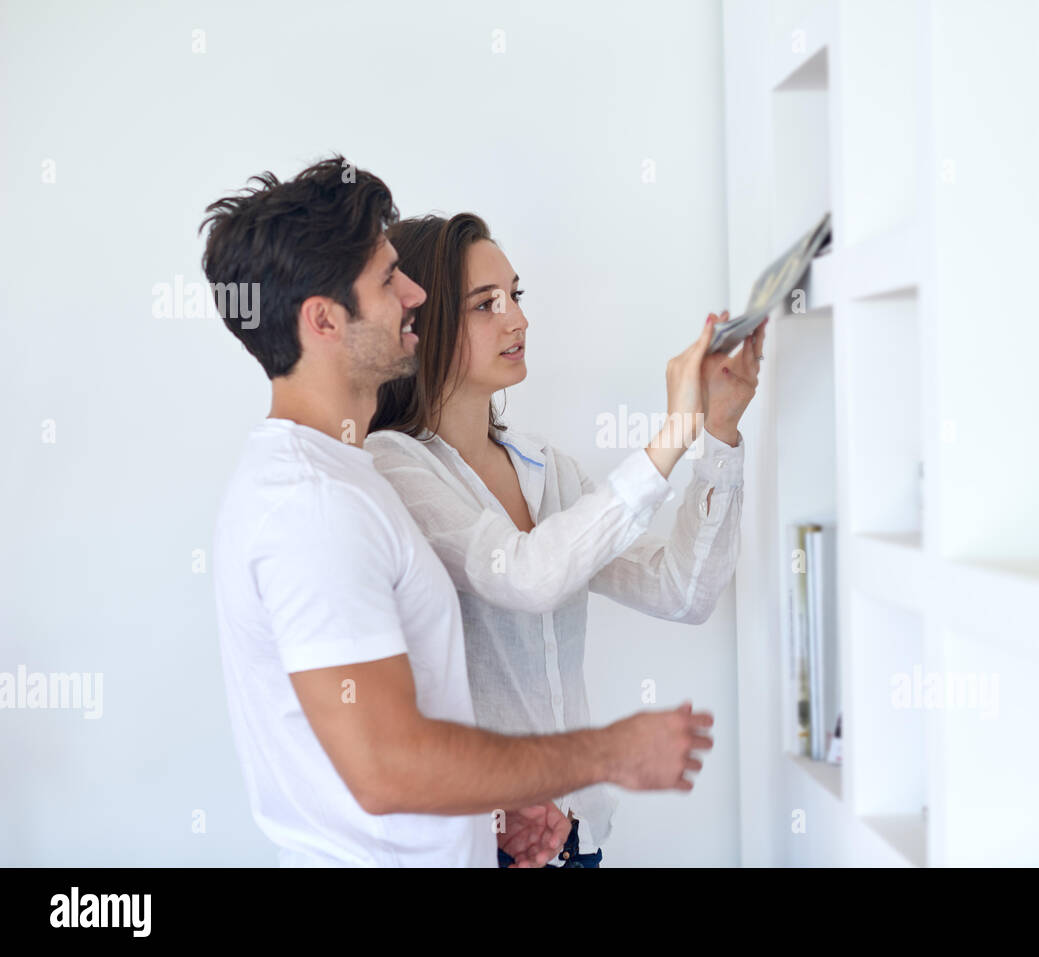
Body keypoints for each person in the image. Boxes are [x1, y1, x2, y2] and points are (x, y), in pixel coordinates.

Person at [203, 156, 714, 868]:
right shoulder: (318, 504)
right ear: (322, 320)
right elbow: (387, 766)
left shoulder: (344, 479)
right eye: (388, 279)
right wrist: (609, 751)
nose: (413, 293)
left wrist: (491, 813)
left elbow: (394, 746)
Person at [365, 212, 765, 866]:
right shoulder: (396, 465)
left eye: (515, 296)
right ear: (423, 322)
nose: (517, 320)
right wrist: (671, 433)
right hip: (483, 840)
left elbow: (681, 592)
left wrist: (716, 433)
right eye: (485, 305)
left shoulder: (544, 466)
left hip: (579, 832)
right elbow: (525, 573)